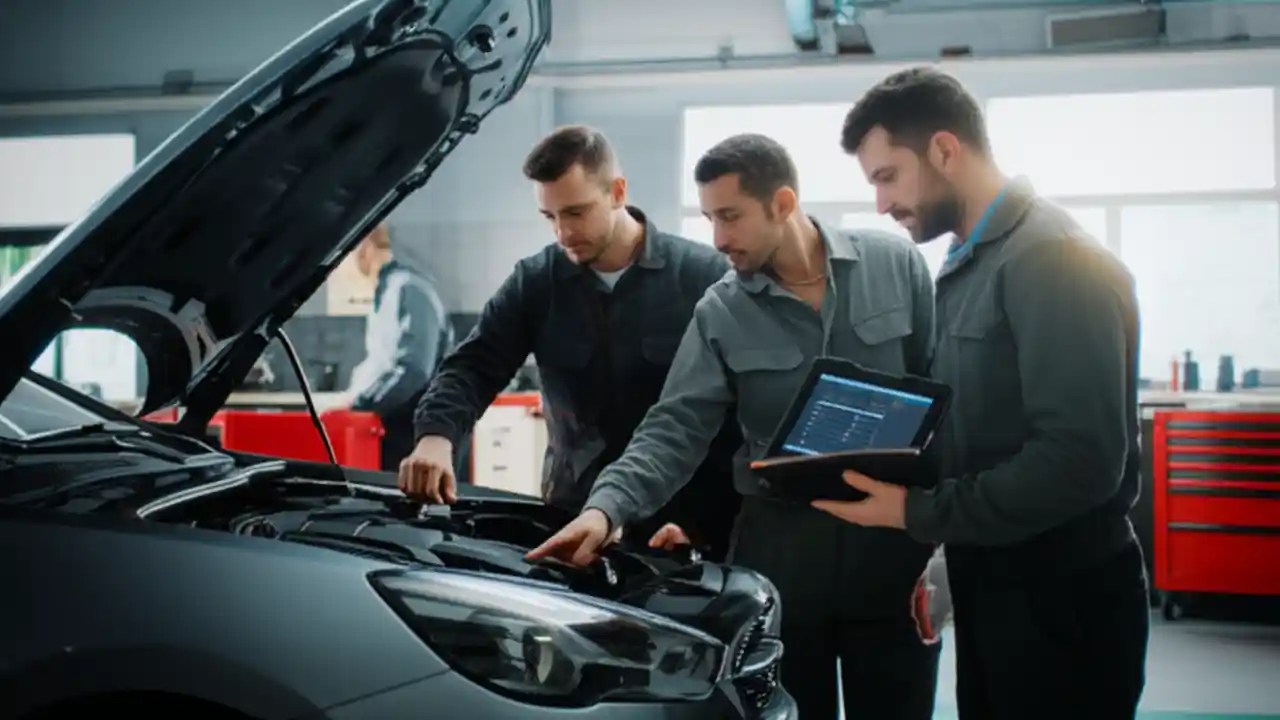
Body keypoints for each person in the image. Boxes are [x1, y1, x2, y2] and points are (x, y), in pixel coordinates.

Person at [527, 133, 941, 719]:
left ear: (783, 203)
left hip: (894, 558)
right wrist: (604, 510)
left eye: (730, 216)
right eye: (708, 218)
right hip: (783, 566)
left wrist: (945, 536)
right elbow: (673, 429)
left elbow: (942, 397)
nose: (718, 239)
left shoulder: (895, 265)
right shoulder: (721, 310)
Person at [823, 66, 1149, 719]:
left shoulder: (1050, 259)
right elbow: (980, 433)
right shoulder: (969, 261)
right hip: (997, 586)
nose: (881, 205)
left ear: (945, 150)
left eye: (888, 177)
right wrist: (946, 556)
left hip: (1062, 602)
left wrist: (917, 513)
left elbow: (1077, 464)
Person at [399, 125, 743, 561]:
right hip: (573, 516)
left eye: (577, 213)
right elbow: (473, 367)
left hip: (681, 524)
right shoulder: (537, 282)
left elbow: (739, 409)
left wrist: (708, 520)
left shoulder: (702, 277)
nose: (562, 233)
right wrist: (435, 436)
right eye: (550, 217)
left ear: (617, 192)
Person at [344, 222, 454, 471]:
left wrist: (361, 404)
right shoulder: (389, 290)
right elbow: (382, 362)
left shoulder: (407, 289)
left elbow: (412, 369)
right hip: (400, 428)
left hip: (413, 432)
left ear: (364, 247)